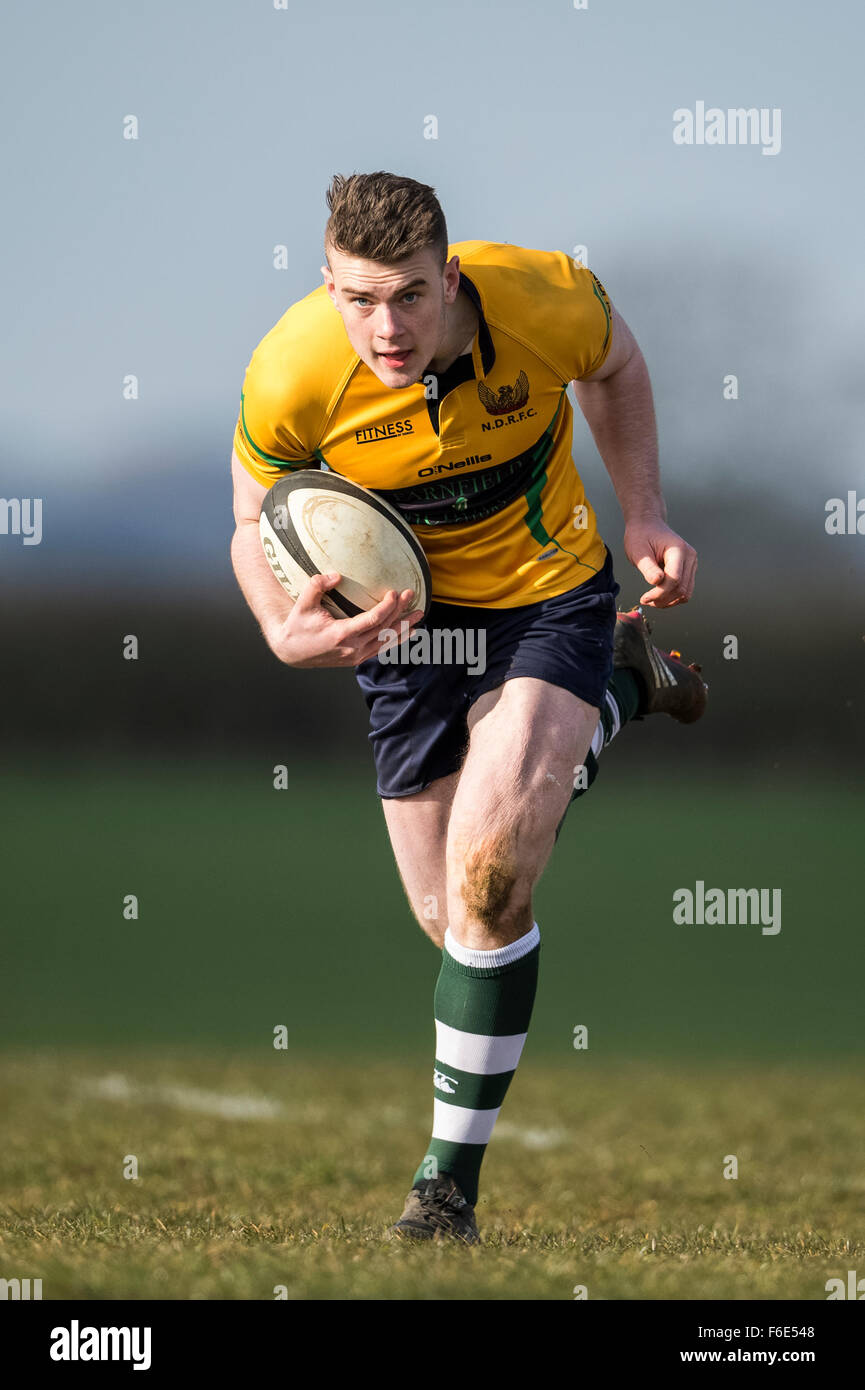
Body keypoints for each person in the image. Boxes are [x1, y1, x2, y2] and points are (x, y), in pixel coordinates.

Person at [230, 171, 706, 1245]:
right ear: (327, 287)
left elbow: (617, 365)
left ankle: (444, 1192)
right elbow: (247, 512)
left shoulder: (543, 298)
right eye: (358, 298)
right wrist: (280, 623)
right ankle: (627, 689)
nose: (384, 327)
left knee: (493, 878)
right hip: (403, 636)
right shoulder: (293, 371)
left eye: (406, 294)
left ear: (449, 276)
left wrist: (643, 513)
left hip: (546, 597)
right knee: (454, 923)